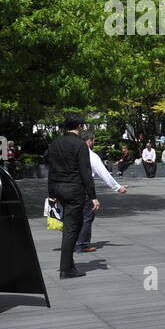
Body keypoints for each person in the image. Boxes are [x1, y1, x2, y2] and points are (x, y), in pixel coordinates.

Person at [45, 115, 98, 279]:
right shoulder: (80, 145)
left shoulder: (55, 143)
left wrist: (51, 193)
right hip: (74, 190)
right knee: (71, 228)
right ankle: (66, 268)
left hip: (58, 187)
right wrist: (93, 196)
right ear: (80, 126)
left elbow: (51, 169)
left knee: (69, 227)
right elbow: (85, 173)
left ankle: (67, 265)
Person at [75, 130, 127, 253]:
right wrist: (117, 187)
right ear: (89, 141)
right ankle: (82, 244)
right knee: (87, 215)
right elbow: (103, 173)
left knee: (74, 216)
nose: (94, 143)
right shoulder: (91, 155)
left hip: (69, 188)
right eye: (93, 140)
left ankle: (72, 242)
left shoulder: (72, 153)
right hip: (84, 188)